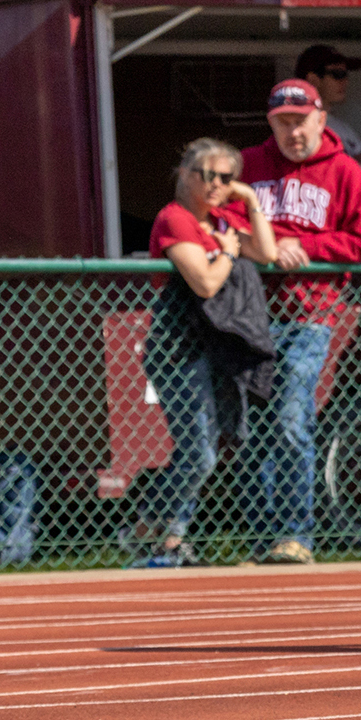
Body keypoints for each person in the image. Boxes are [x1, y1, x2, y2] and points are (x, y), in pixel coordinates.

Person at [239, 79, 361, 562]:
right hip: (249, 317)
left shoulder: (344, 172)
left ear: (320, 119)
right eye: (283, 123)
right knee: (253, 426)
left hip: (309, 315)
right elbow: (226, 223)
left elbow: (359, 243)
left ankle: (297, 533)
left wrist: (306, 248)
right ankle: (261, 537)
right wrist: (271, 243)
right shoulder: (248, 165)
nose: (293, 132)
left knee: (291, 419)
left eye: (300, 121)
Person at [127, 138, 279, 566]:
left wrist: (248, 199)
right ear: (185, 175)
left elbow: (266, 252)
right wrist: (228, 253)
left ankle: (161, 537)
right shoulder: (174, 219)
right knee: (200, 453)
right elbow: (205, 283)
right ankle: (151, 531)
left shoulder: (222, 218)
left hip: (213, 350)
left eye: (226, 178)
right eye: (207, 175)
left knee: (206, 448)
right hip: (177, 349)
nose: (216, 185)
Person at [296, 45, 361, 203]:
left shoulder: (342, 128)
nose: (345, 81)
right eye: (337, 74)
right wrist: (353, 162)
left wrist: (345, 165)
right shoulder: (296, 126)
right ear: (313, 80)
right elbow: (319, 178)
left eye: (346, 74)